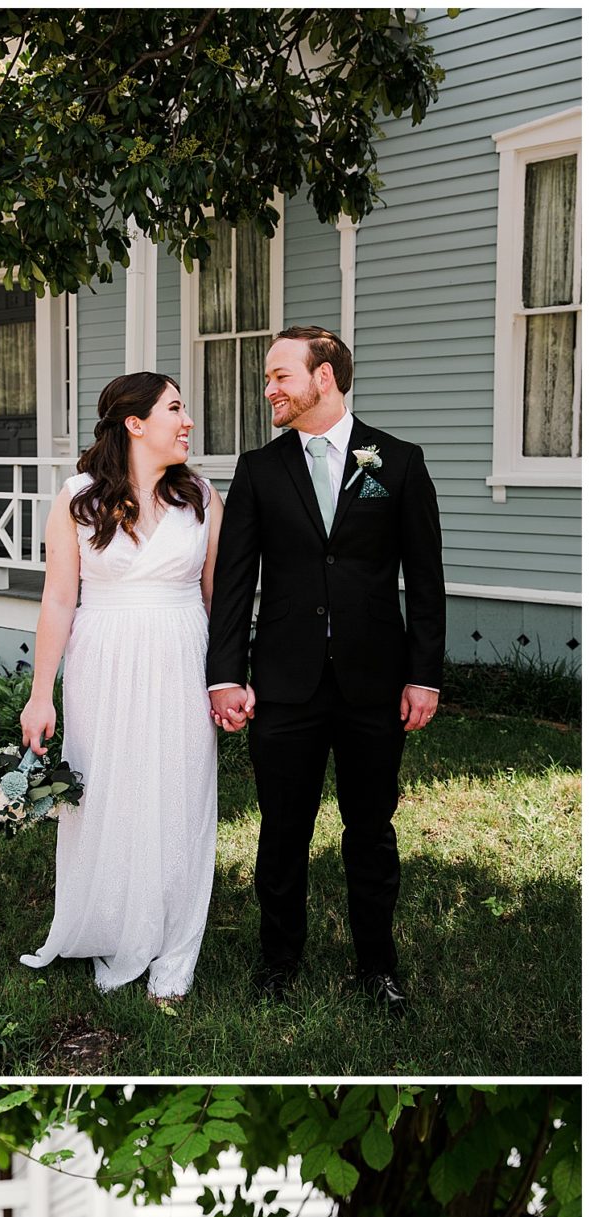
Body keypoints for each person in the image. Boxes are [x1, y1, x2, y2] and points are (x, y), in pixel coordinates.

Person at [205, 325, 446, 1015]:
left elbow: (424, 579)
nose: (268, 388)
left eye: (280, 375)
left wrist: (423, 674)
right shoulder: (258, 468)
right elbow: (233, 579)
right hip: (283, 681)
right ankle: (277, 962)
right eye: (267, 377)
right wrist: (225, 673)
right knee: (282, 830)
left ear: (325, 378)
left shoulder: (394, 462)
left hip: (376, 680)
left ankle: (378, 966)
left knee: (369, 831)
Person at [20, 373, 223, 1003]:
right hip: (102, 658)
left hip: (182, 654)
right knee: (108, 788)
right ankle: (111, 917)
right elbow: (59, 598)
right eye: (175, 409)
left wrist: (230, 678)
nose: (188, 421)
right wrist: (39, 692)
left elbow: (220, 597)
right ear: (134, 423)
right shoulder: (78, 498)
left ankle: (172, 937)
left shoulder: (202, 498)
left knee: (179, 785)